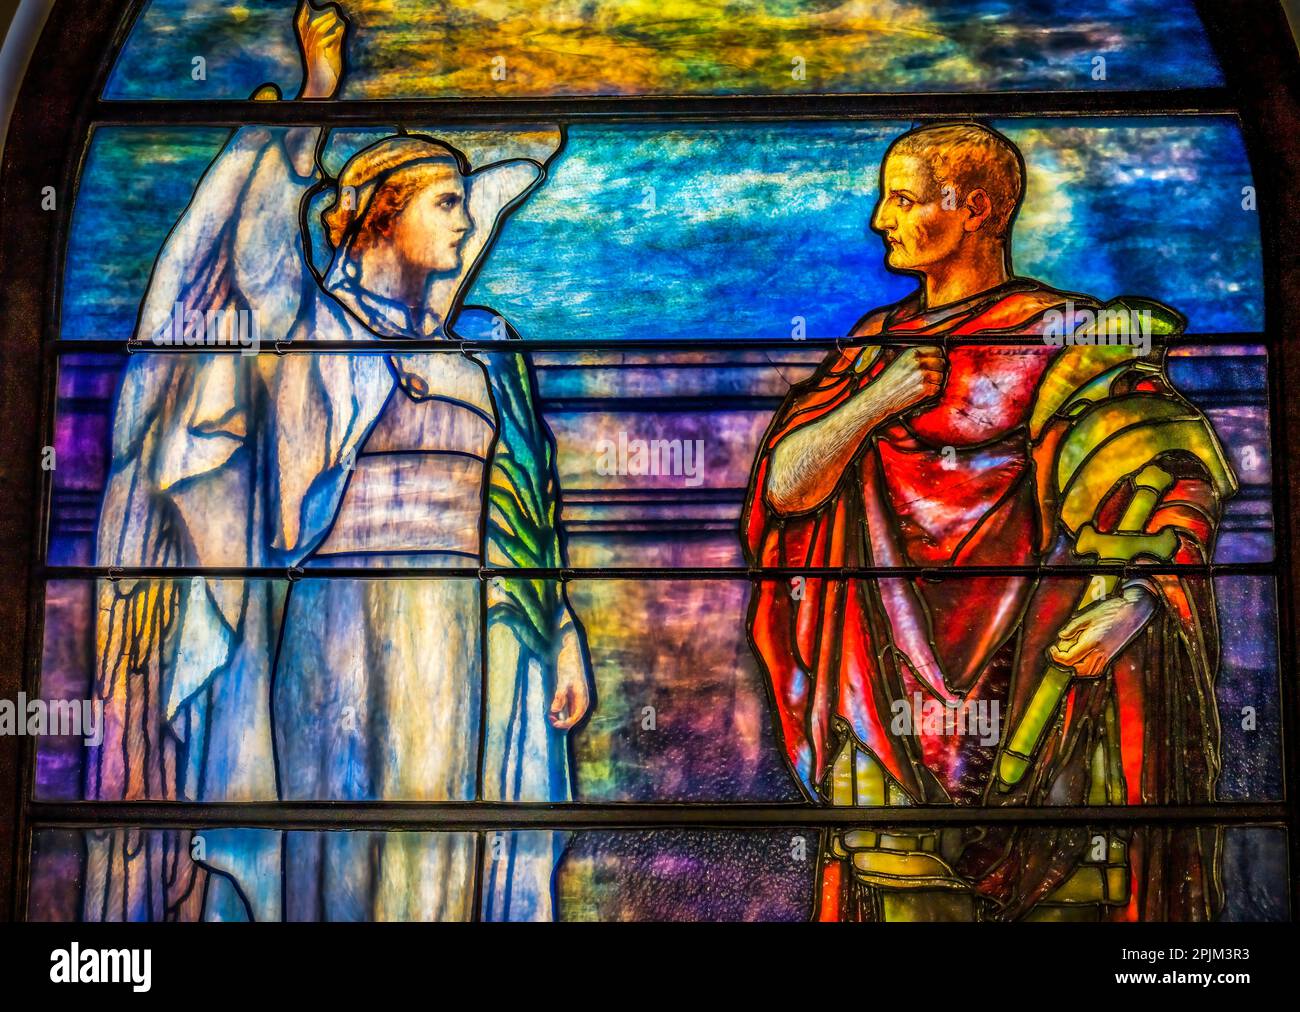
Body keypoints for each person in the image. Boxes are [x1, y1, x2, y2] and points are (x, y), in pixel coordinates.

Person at [85, 0, 590, 922]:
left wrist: (558, 634)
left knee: (440, 864)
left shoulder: (479, 356)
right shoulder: (317, 333)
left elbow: (523, 515)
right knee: (336, 859)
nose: (464, 222)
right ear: (381, 217)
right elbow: (263, 249)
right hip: (338, 617)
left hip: (458, 630)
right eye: (446, 203)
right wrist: (314, 96)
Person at [742, 121, 1236, 921]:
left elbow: (1174, 481)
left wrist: (1137, 602)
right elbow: (789, 491)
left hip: (1053, 687)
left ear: (975, 208)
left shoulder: (1077, 338)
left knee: (1074, 894)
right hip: (885, 698)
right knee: (894, 884)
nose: (880, 219)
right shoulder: (878, 348)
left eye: (902, 198)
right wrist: (878, 399)